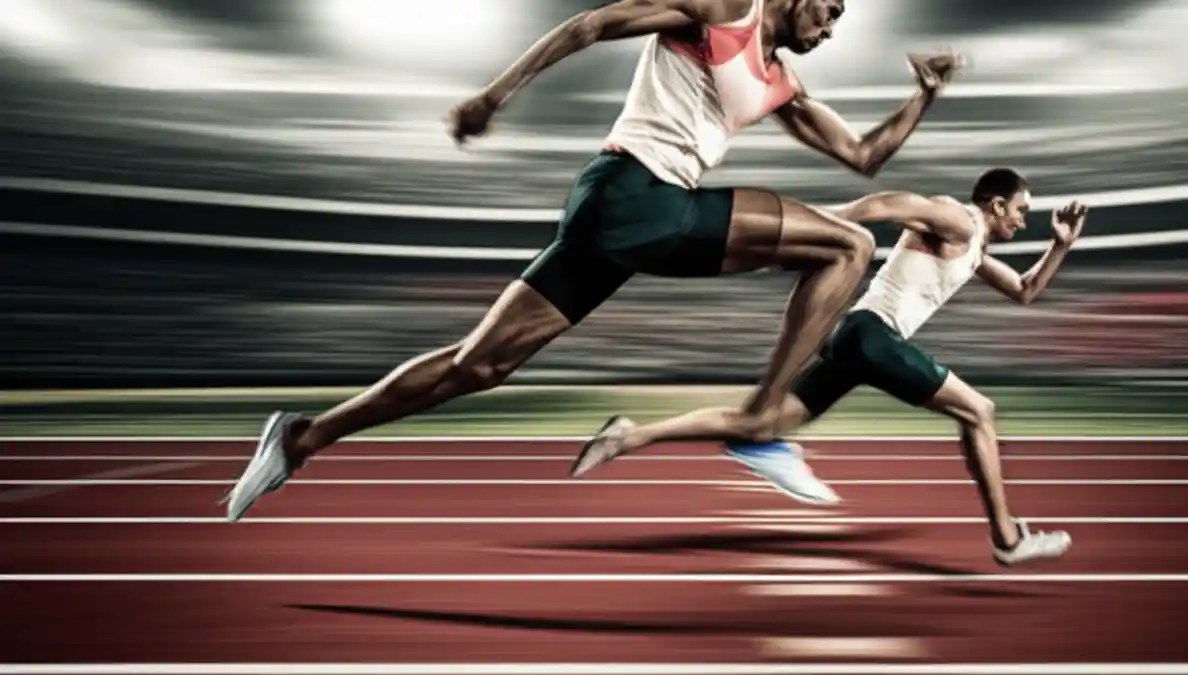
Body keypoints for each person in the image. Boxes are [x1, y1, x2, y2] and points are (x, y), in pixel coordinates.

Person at [222, 0, 964, 521]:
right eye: (831, 9)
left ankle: (301, 437)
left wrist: (922, 97)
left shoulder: (780, 82)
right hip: (634, 194)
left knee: (474, 367)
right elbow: (592, 23)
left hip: (627, 219)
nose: (833, 26)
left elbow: (863, 156)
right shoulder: (724, 9)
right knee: (850, 244)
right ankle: (763, 421)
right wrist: (493, 95)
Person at [570, 168, 1089, 565]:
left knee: (759, 424)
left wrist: (1058, 248)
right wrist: (818, 225)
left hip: (855, 340)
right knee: (979, 411)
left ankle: (629, 436)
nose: (1024, 220)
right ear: (996, 204)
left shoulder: (974, 251)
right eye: (1021, 210)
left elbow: (1025, 291)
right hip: (871, 335)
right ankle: (1008, 538)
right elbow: (888, 203)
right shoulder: (958, 219)